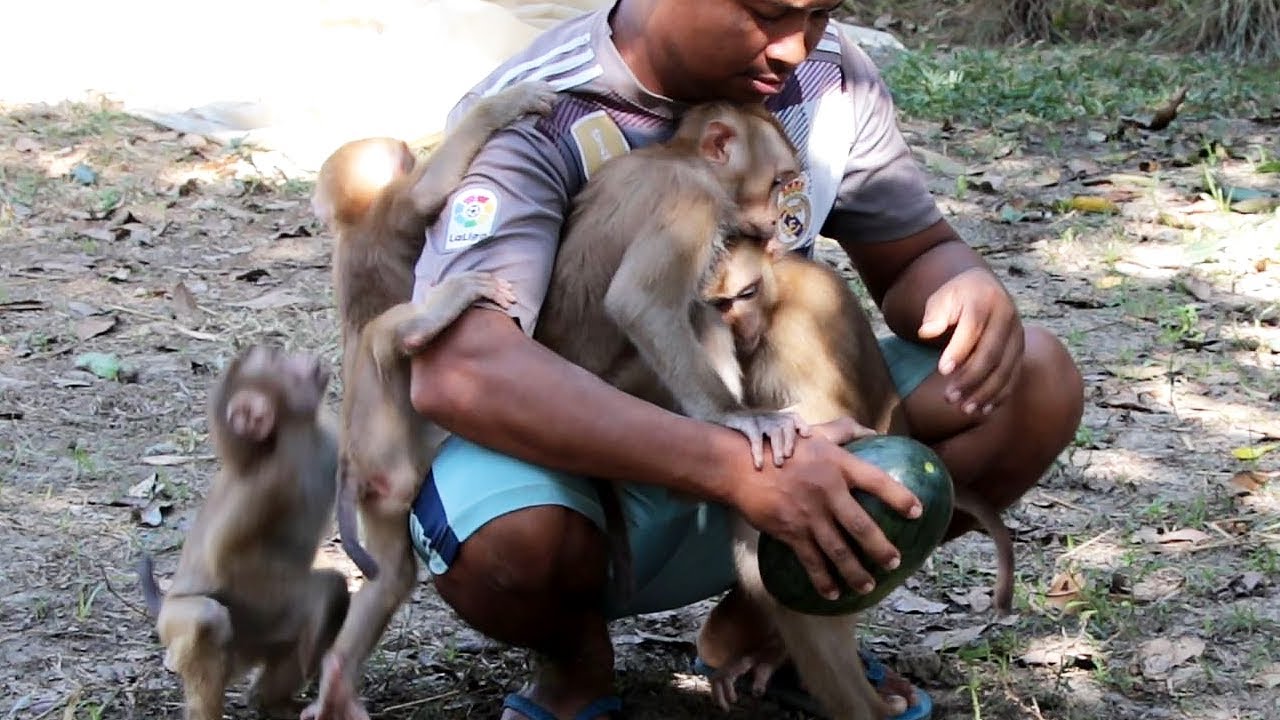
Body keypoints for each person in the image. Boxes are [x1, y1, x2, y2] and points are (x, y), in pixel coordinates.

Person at [403, 1, 1085, 719]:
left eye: (820, 13)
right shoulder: (537, 106)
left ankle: (768, 626)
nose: (795, 46)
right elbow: (460, 370)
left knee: (1027, 380)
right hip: (578, 470)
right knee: (509, 539)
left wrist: (962, 283)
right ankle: (575, 666)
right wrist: (731, 459)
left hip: (750, 426)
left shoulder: (830, 79)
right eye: (768, 12)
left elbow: (914, 253)